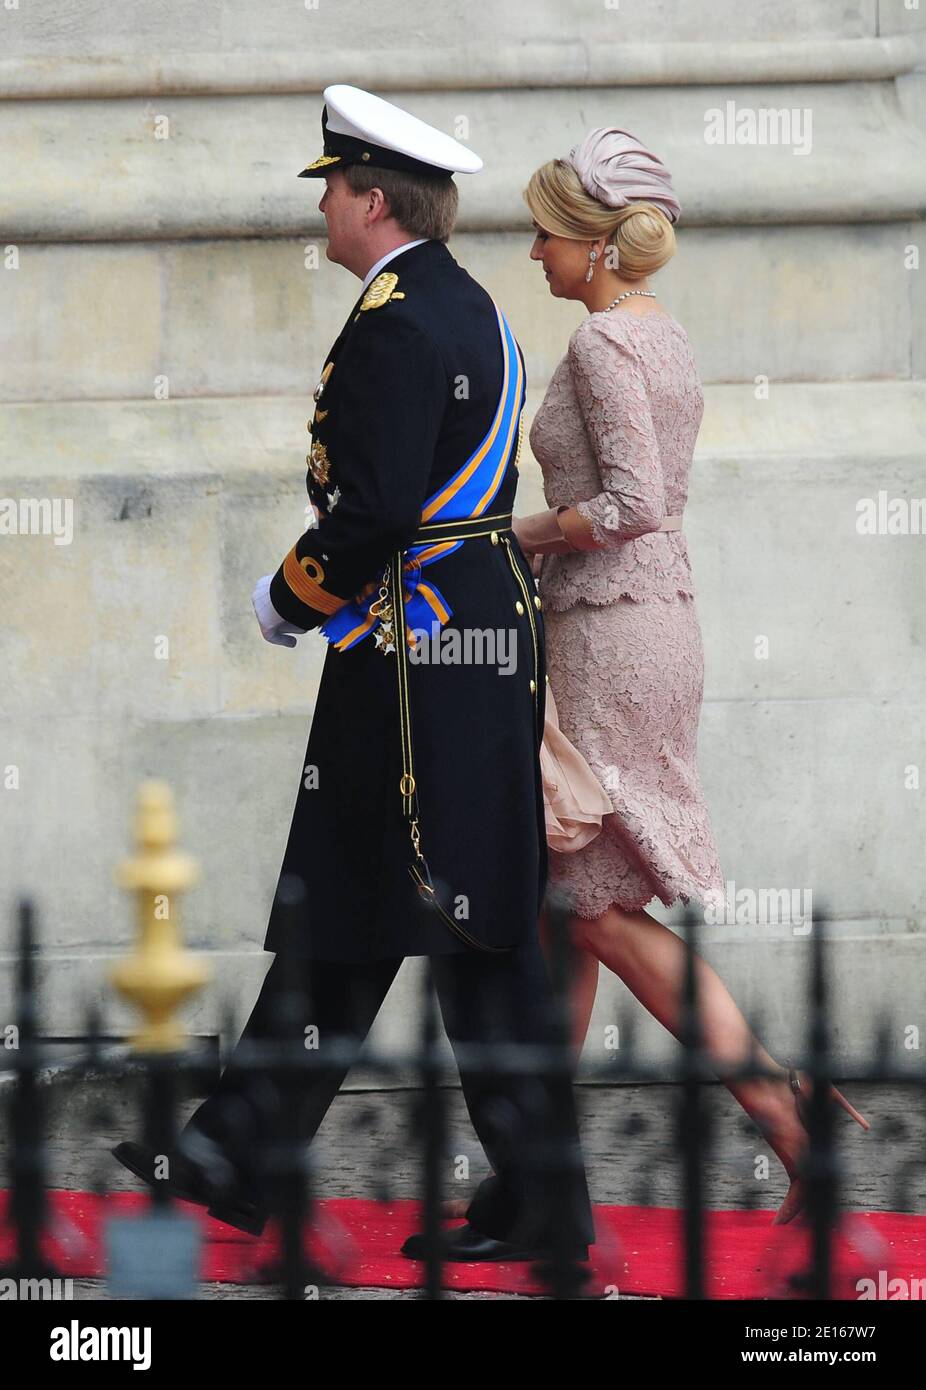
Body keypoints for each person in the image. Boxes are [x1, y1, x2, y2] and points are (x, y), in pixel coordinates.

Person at [113, 85, 594, 1263]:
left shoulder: (394, 320)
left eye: (331, 185)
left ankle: (518, 1195)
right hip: (462, 634)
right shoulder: (466, 304)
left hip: (409, 647)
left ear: (373, 200)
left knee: (433, 911)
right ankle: (243, 1147)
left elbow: (372, 507)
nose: (322, 205)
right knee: (399, 906)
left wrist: (284, 597)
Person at [513, 128, 868, 1225]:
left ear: (592, 244)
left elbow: (630, 502)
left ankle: (784, 1113)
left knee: (592, 911)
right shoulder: (660, 337)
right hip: (639, 624)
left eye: (544, 232)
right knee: (567, 901)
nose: (531, 252)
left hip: (613, 634)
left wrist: (512, 534)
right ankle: (538, 1168)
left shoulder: (606, 348)